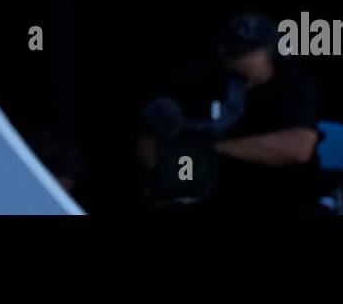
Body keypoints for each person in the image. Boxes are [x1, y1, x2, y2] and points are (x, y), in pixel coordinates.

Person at [137, 13, 324, 213]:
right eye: (232, 49)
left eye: (248, 51)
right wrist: (161, 166)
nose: (236, 57)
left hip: (274, 193)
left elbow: (298, 148)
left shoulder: (295, 84)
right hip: (204, 190)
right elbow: (148, 141)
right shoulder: (198, 78)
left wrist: (212, 148)